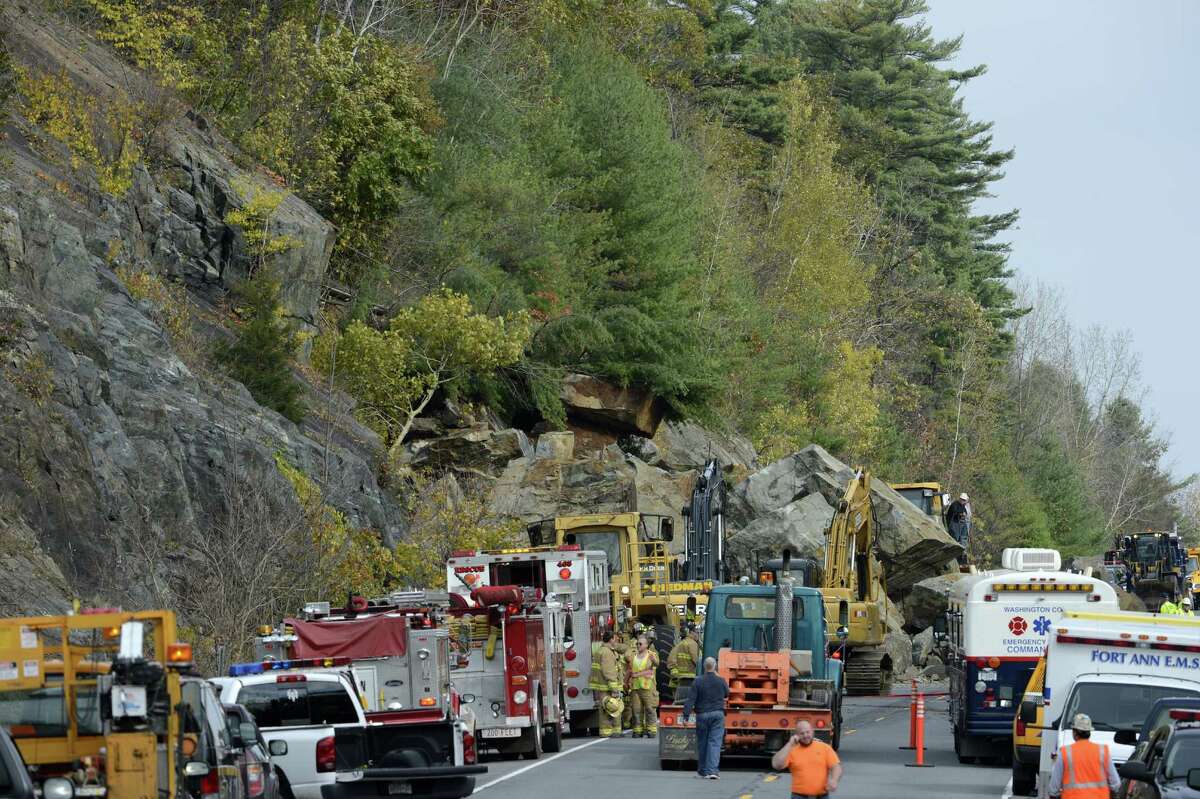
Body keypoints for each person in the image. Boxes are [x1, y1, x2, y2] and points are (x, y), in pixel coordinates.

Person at [1047, 713, 1118, 799]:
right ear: (1089, 732)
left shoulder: (1065, 752)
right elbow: (1116, 784)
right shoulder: (1102, 751)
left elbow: (1054, 789)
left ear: (1075, 733)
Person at [681, 656, 728, 780]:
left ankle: (703, 771)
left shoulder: (698, 681)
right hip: (717, 715)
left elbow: (690, 700)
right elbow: (727, 693)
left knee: (702, 743)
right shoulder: (721, 681)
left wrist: (685, 716)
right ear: (715, 667)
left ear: (703, 667)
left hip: (702, 715)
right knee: (715, 743)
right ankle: (713, 771)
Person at [771, 720, 842, 798]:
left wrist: (834, 780)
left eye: (808, 732)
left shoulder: (824, 748)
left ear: (812, 732)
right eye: (802, 733)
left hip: (822, 796)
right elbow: (776, 765)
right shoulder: (791, 750)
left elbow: (836, 766)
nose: (805, 735)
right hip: (799, 796)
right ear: (796, 735)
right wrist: (789, 744)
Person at [629, 636, 660, 737]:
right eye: (637, 643)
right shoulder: (633, 656)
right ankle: (638, 730)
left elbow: (657, 664)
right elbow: (630, 670)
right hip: (635, 687)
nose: (638, 645)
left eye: (640, 644)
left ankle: (651, 730)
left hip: (648, 686)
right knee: (636, 710)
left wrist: (654, 660)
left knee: (650, 709)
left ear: (646, 645)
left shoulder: (651, 655)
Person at [597, 631, 625, 738]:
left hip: (604, 685)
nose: (617, 640)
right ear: (611, 639)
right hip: (608, 686)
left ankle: (607, 732)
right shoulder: (607, 653)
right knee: (611, 707)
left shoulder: (602, 650)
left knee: (606, 708)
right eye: (616, 638)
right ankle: (613, 731)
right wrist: (614, 688)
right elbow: (609, 671)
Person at [667, 623, 702, 695]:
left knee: (677, 703)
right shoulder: (692, 644)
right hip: (688, 681)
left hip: (677, 681)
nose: (698, 635)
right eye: (697, 632)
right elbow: (697, 662)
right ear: (692, 632)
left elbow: (670, 660)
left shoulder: (680, 644)